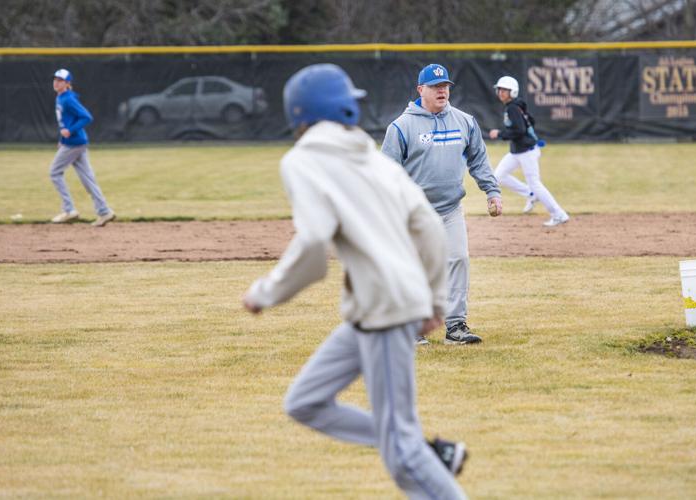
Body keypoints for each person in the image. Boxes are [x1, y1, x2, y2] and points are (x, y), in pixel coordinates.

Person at [242, 64, 469, 500]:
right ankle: (426, 449)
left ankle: (415, 449)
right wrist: (434, 301)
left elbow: (313, 247)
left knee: (403, 457)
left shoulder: (302, 160)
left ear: (299, 113)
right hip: (374, 307)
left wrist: (265, 292)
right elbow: (427, 225)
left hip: (386, 308)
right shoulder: (368, 154)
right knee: (305, 402)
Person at [382, 63, 502, 346]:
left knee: (458, 260)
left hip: (450, 209)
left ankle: (456, 325)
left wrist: (492, 191)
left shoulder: (464, 121)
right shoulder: (401, 127)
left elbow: (479, 159)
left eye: (445, 86)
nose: (442, 91)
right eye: (435, 86)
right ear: (420, 90)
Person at [489, 76, 569, 227]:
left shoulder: (513, 107)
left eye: (504, 90)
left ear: (513, 92)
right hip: (517, 151)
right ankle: (530, 194)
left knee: (535, 184)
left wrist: (500, 134)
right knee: (498, 176)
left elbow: (519, 130)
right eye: (499, 89)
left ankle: (559, 214)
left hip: (526, 152)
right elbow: (531, 121)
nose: (500, 92)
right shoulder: (516, 105)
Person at [48, 68, 115, 227]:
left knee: (54, 172)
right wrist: (62, 138)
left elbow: (86, 117)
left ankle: (69, 210)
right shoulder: (61, 97)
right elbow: (64, 122)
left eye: (60, 80)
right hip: (76, 142)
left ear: (67, 83)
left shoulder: (68, 99)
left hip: (74, 143)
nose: (56, 82)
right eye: (55, 79)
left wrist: (70, 131)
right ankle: (104, 211)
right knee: (88, 178)